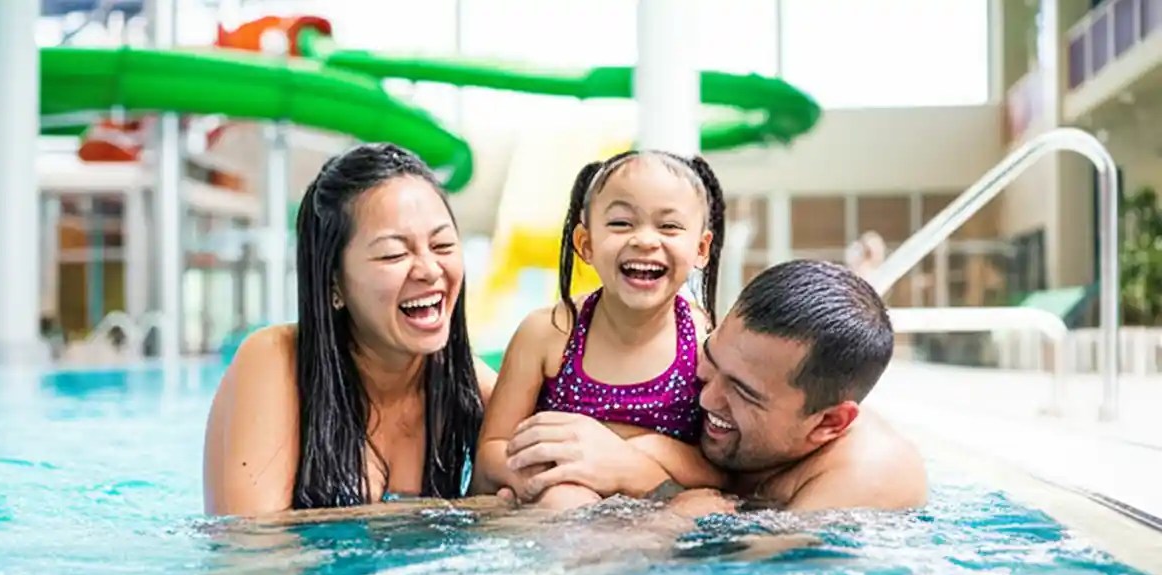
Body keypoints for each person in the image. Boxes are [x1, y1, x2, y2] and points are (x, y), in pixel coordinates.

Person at [203, 143, 497, 516]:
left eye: (442, 245)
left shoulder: (466, 384)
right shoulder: (275, 361)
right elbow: (257, 548)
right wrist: (451, 513)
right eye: (394, 254)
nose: (429, 269)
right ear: (334, 284)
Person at [498, 259, 928, 514]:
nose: (706, 397)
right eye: (712, 358)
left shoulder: (870, 474)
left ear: (828, 423)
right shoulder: (714, 398)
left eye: (743, 392)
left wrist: (650, 483)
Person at [472, 149, 731, 510]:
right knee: (566, 500)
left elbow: (723, 469)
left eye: (669, 226)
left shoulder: (705, 344)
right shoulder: (549, 333)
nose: (644, 239)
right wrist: (554, 476)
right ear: (586, 244)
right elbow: (489, 453)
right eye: (621, 223)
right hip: (559, 508)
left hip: (653, 509)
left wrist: (637, 450)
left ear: (702, 248)